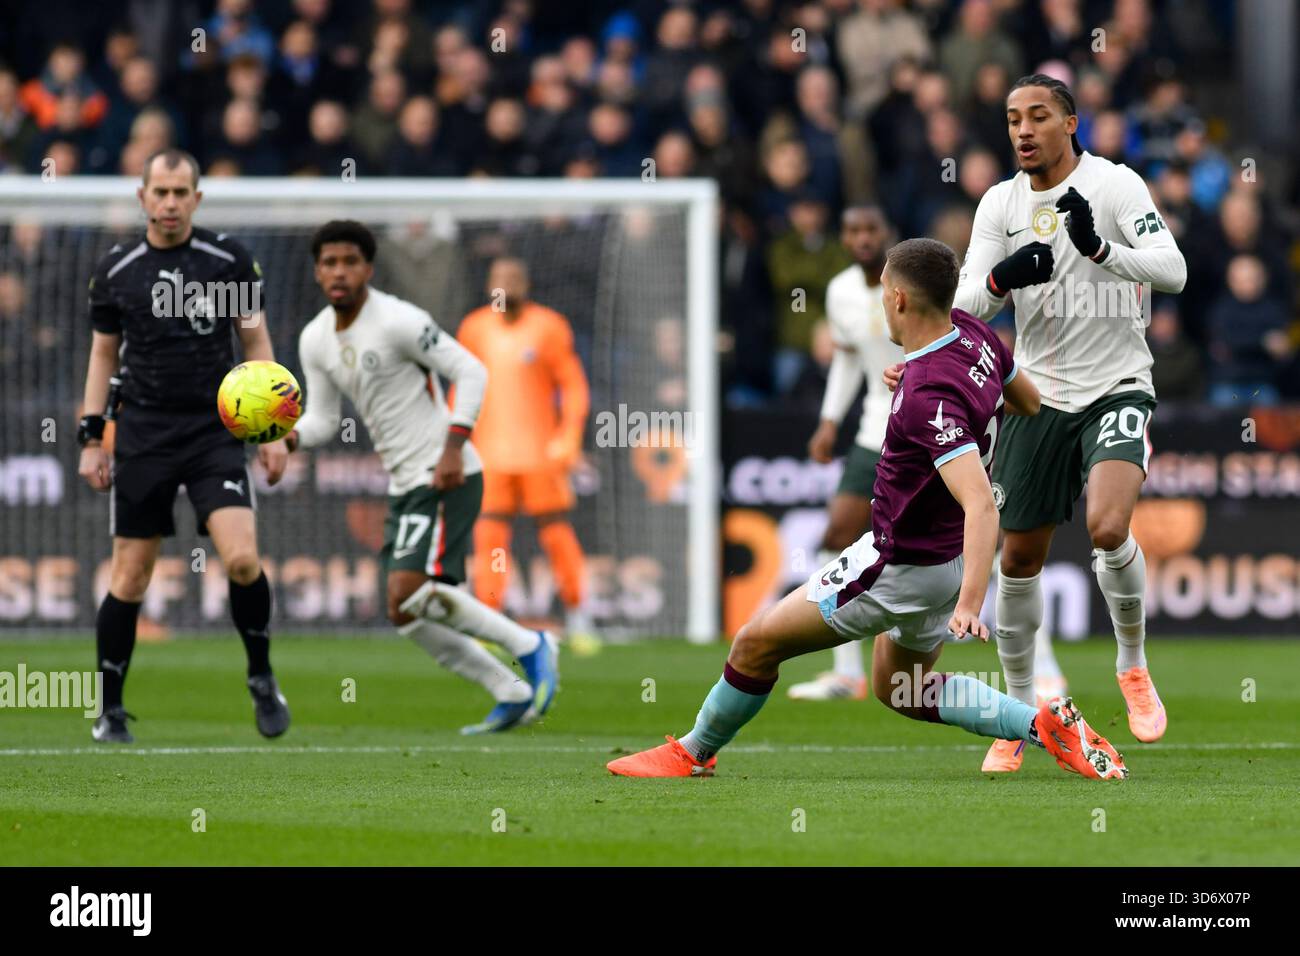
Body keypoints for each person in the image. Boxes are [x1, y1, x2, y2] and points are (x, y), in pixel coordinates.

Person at [608, 239, 1127, 782]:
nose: (880, 300)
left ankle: (694, 751)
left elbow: (980, 503)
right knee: (903, 688)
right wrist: (933, 387)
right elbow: (1029, 401)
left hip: (898, 564)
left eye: (882, 290)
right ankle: (1042, 724)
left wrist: (972, 605)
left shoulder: (928, 393)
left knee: (755, 643)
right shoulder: (973, 337)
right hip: (941, 562)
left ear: (899, 299)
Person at [947, 74, 1187, 772]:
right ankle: (1020, 715)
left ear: (1070, 123)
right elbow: (965, 308)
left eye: (1038, 116)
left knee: (1109, 527)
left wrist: (1104, 250)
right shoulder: (1000, 202)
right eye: (1013, 118)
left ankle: (1133, 667)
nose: (1023, 130)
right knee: (1017, 560)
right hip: (1035, 396)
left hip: (1117, 386)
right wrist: (1000, 279)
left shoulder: (1114, 187)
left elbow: (1172, 270)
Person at [285, 222, 559, 734]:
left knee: (410, 588)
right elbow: (323, 418)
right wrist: (288, 439)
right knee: (403, 610)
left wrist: (454, 446)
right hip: (404, 482)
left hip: (444, 472)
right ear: (318, 271)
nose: (339, 271)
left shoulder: (398, 320)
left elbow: (472, 370)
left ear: (368, 268)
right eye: (329, 262)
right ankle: (511, 690)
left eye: (349, 261)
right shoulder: (315, 338)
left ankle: (530, 644)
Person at [77, 148, 290, 743]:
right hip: (143, 432)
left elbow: (256, 342)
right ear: (142, 196)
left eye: (181, 192)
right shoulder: (117, 270)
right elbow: (102, 355)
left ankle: (260, 676)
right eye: (160, 192)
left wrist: (271, 429)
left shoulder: (228, 262)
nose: (170, 202)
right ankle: (110, 708)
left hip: (213, 430)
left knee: (243, 558)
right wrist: (93, 437)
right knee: (131, 576)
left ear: (197, 198)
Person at [788, 204, 901, 701]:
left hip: (933, 430)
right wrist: (830, 421)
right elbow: (849, 359)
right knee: (838, 531)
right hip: (874, 430)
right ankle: (848, 672)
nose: (861, 238)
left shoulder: (912, 283)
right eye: (852, 230)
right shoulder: (839, 292)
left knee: (993, 544)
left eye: (870, 228)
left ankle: (1040, 667)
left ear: (886, 233)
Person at [456, 257, 596, 650]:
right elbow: (461, 388)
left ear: (526, 284)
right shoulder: (474, 328)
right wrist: (457, 439)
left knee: (556, 535)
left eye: (513, 280)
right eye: (498, 280)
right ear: (488, 285)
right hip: (490, 455)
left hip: (541, 455)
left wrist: (569, 436)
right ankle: (490, 621)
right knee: (490, 539)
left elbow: (573, 387)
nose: (505, 287)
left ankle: (579, 616)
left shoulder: (548, 327)